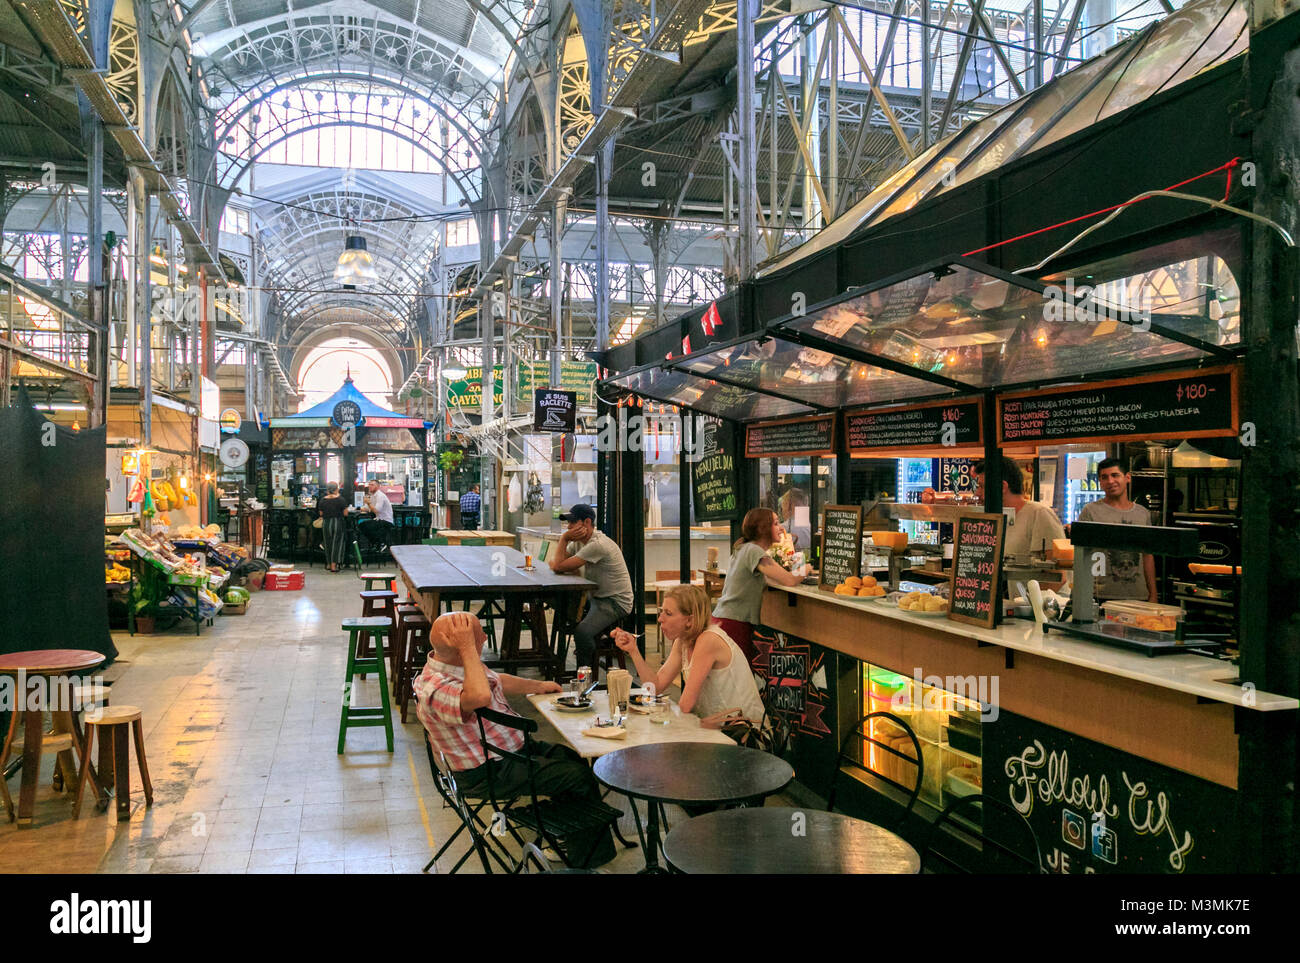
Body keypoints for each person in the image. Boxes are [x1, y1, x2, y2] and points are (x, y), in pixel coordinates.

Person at [412, 611, 616, 868]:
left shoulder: (459, 665)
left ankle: (571, 839)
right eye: (478, 635)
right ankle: (588, 861)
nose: (486, 637)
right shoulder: (435, 687)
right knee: (576, 777)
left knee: (572, 757)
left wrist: (536, 685)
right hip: (486, 771)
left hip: (509, 751)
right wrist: (468, 649)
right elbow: (479, 697)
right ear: (461, 647)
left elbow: (495, 680)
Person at [612, 585, 764, 724]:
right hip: (717, 728)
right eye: (661, 612)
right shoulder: (683, 640)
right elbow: (654, 688)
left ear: (690, 620)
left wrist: (660, 709)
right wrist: (633, 650)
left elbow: (686, 705)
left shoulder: (708, 640)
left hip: (745, 734)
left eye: (668, 613)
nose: (660, 619)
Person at [711, 507, 811, 661]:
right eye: (776, 523)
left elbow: (769, 579)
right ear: (763, 528)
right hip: (735, 623)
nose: (781, 528)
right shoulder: (754, 551)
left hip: (723, 619)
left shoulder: (742, 548)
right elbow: (790, 580)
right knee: (740, 677)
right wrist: (807, 568)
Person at [548, 504, 634, 670]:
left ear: (587, 522)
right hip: (596, 598)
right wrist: (564, 550)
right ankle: (566, 658)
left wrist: (564, 539)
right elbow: (555, 563)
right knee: (561, 610)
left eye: (573, 522)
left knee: (581, 632)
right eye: (568, 524)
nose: (569, 527)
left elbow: (558, 565)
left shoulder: (598, 544)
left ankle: (584, 675)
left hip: (614, 601)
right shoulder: (580, 543)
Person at [1076, 457, 1158, 602]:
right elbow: (1082, 556)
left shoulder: (1142, 513)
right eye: (1104, 477)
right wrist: (1081, 592)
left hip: (1138, 596)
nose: (1110, 481)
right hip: (1101, 595)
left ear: (1127, 478)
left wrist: (1153, 593)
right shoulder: (1090, 511)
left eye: (1115, 475)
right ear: (1100, 482)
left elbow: (1147, 556)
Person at [974, 455, 1065, 558]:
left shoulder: (1039, 514)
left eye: (982, 487)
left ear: (1002, 487)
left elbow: (1057, 568)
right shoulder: (991, 520)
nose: (977, 493)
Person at [317, 482, 349, 573]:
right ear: (337, 489)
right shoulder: (341, 499)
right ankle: (334, 566)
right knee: (337, 544)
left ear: (327, 490)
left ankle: (328, 563)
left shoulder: (322, 500)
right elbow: (345, 513)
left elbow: (321, 513)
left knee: (327, 544)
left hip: (326, 523)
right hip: (337, 523)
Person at [358, 479, 395, 554]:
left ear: (378, 486)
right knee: (362, 525)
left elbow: (376, 510)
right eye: (369, 485)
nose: (370, 486)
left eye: (372, 485)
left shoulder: (380, 496)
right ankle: (378, 544)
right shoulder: (372, 495)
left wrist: (368, 504)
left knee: (364, 525)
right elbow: (367, 508)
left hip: (386, 521)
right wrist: (357, 508)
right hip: (378, 519)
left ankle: (381, 543)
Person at [777, 486, 811, 552]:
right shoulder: (811, 528)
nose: (782, 510)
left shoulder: (782, 529)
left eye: (783, 506)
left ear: (788, 505)